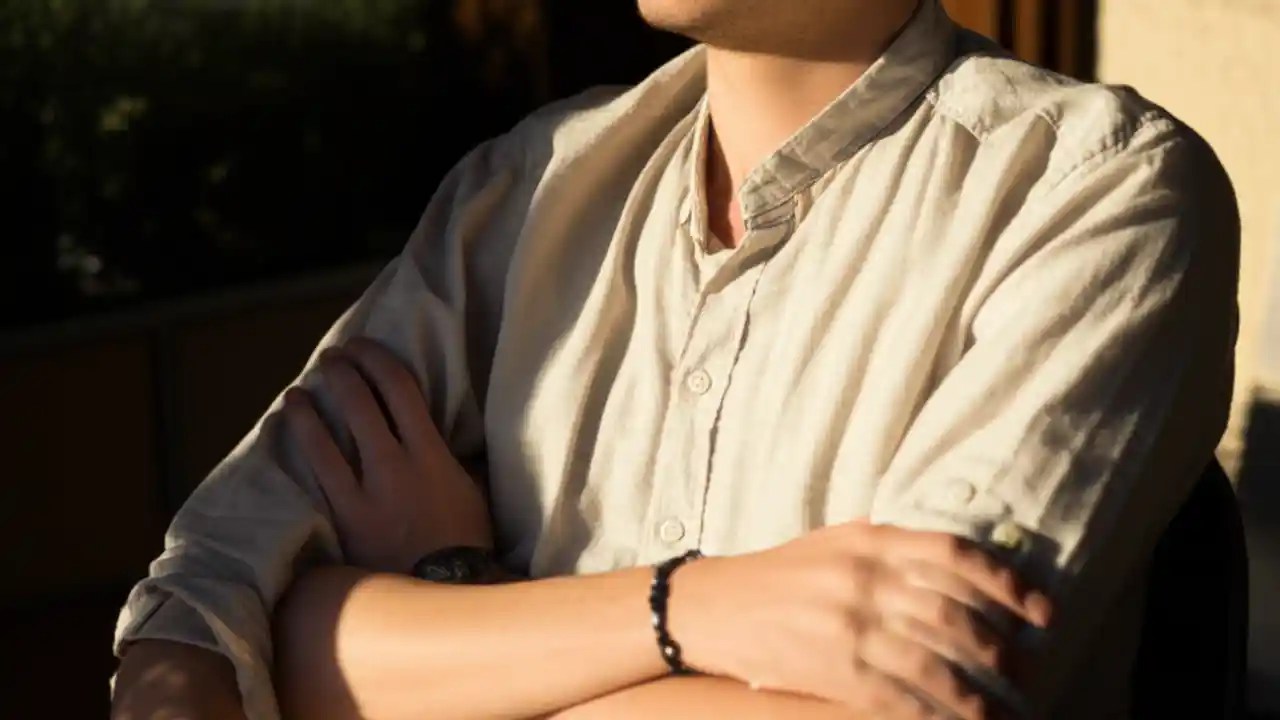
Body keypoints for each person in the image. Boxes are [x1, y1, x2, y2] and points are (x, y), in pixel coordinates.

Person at [109, 0, 1240, 718]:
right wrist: (692, 611)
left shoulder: (1095, 188)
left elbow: (916, 703)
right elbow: (205, 606)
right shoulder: (520, 192)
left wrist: (451, 612)